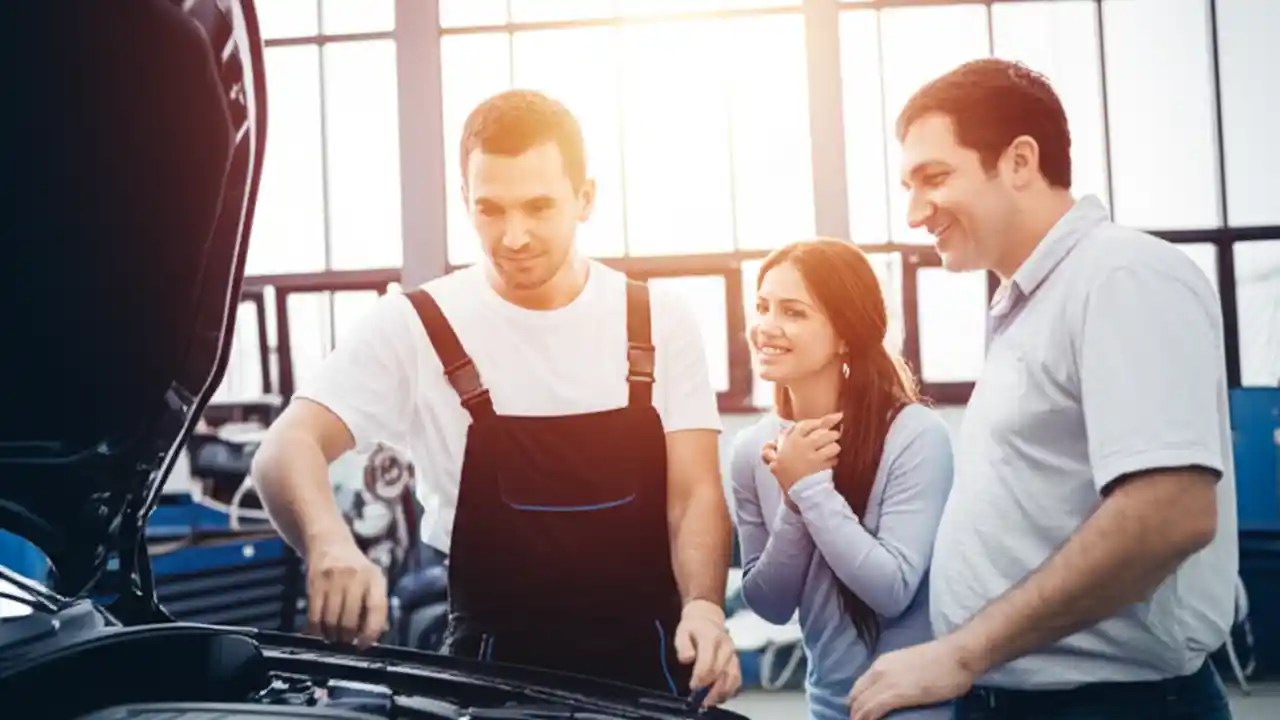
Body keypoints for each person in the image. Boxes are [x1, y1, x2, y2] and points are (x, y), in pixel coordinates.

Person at [250, 88, 741, 706]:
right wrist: (327, 541)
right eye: (490, 209)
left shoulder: (657, 320)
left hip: (648, 668)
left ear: (585, 197)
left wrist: (703, 605)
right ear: (464, 200)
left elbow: (694, 491)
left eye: (539, 206)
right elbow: (284, 447)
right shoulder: (416, 323)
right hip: (486, 675)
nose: (514, 236)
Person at [847, 59, 1239, 720]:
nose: (915, 212)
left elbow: (1169, 511)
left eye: (934, 178)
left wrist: (964, 652)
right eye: (908, 186)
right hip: (1016, 697)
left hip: (1112, 707)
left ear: (1020, 161)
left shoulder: (1121, 276)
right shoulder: (1029, 302)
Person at [730, 238, 955, 720]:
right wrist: (794, 503)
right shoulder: (753, 450)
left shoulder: (915, 435)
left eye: (793, 312)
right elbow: (770, 605)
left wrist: (810, 490)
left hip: (919, 707)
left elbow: (892, 590)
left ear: (845, 335)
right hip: (829, 707)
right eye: (762, 306)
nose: (766, 327)